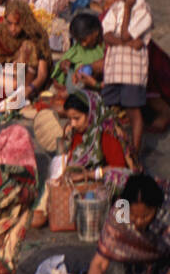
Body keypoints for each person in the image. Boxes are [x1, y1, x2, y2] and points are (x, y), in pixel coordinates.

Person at [31, 91, 134, 227]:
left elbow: (120, 169)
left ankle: (120, 217)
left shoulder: (108, 132)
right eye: (70, 119)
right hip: (86, 182)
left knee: (117, 178)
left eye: (77, 118)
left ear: (91, 113)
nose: (72, 124)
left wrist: (86, 175)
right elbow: (71, 160)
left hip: (109, 184)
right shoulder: (78, 133)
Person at [101, 0, 152, 159]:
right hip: (114, 69)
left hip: (133, 71)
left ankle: (135, 153)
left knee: (133, 111)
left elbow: (122, 35)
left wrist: (129, 9)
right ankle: (112, 147)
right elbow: (107, 35)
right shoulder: (115, 7)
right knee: (108, 108)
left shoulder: (143, 12)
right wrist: (127, 43)